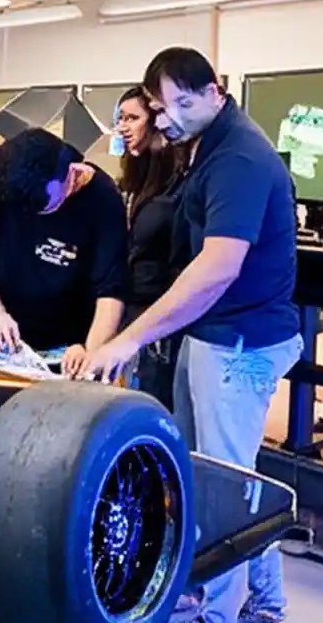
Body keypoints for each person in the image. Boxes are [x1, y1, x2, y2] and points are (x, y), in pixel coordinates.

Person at [77, 48, 302, 623]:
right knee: (209, 472)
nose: (166, 116)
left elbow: (218, 267)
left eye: (181, 102)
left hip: (241, 342)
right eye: (159, 105)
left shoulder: (239, 159)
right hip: (212, 336)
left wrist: (128, 339)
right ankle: (238, 599)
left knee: (226, 486)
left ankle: (220, 614)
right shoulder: (205, 148)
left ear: (215, 93)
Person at [0, 126, 127, 374]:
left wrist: (91, 352)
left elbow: (111, 288)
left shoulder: (102, 198)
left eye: (45, 205)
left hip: (67, 345)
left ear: (71, 177)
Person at [114, 85, 190, 410]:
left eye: (132, 118)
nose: (123, 126)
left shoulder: (178, 185)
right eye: (121, 118)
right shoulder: (136, 177)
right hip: (131, 312)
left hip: (159, 322)